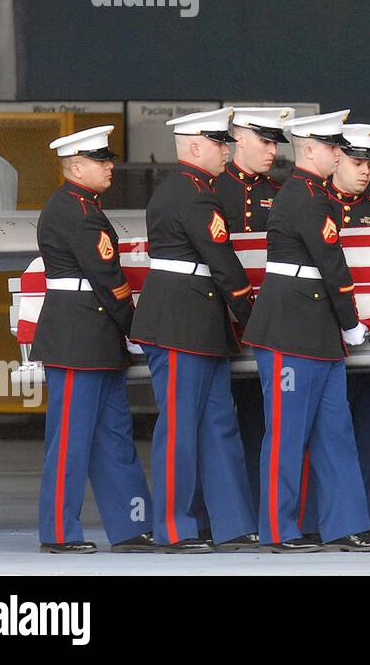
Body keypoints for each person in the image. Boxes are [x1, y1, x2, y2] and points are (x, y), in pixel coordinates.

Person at [240, 110, 370, 553]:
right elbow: (332, 266)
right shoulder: (307, 197)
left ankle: (346, 524)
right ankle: (278, 528)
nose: (339, 154)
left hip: (313, 332)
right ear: (308, 149)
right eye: (332, 147)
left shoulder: (309, 194)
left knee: (335, 433)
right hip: (291, 331)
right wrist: (352, 322)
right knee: (287, 434)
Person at [129, 108, 258, 553]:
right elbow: (222, 261)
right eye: (222, 144)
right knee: (183, 427)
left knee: (216, 423)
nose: (228, 151)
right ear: (197, 146)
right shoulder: (195, 195)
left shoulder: (188, 189)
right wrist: (249, 311)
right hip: (181, 322)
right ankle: (176, 526)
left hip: (194, 322)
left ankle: (231, 523)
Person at [31, 125, 153, 554]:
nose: (110, 167)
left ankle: (132, 525)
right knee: (69, 439)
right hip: (77, 338)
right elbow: (108, 278)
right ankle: (59, 532)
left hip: (92, 337)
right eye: (101, 161)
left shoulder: (83, 207)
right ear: (76, 165)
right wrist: (134, 327)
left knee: (112, 435)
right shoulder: (76, 211)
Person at [297, 123, 370, 548]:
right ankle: (309, 522)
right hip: (323, 333)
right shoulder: (315, 206)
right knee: (314, 430)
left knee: (369, 430)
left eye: (369, 164)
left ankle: (363, 519)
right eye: (357, 161)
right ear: (336, 159)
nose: (364, 171)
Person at [211, 106, 294, 514]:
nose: (273, 150)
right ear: (238, 138)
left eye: (276, 141)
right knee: (214, 424)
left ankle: (259, 512)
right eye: (264, 140)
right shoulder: (209, 190)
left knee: (260, 420)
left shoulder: (278, 195)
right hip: (216, 322)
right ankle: (216, 517)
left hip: (264, 325)